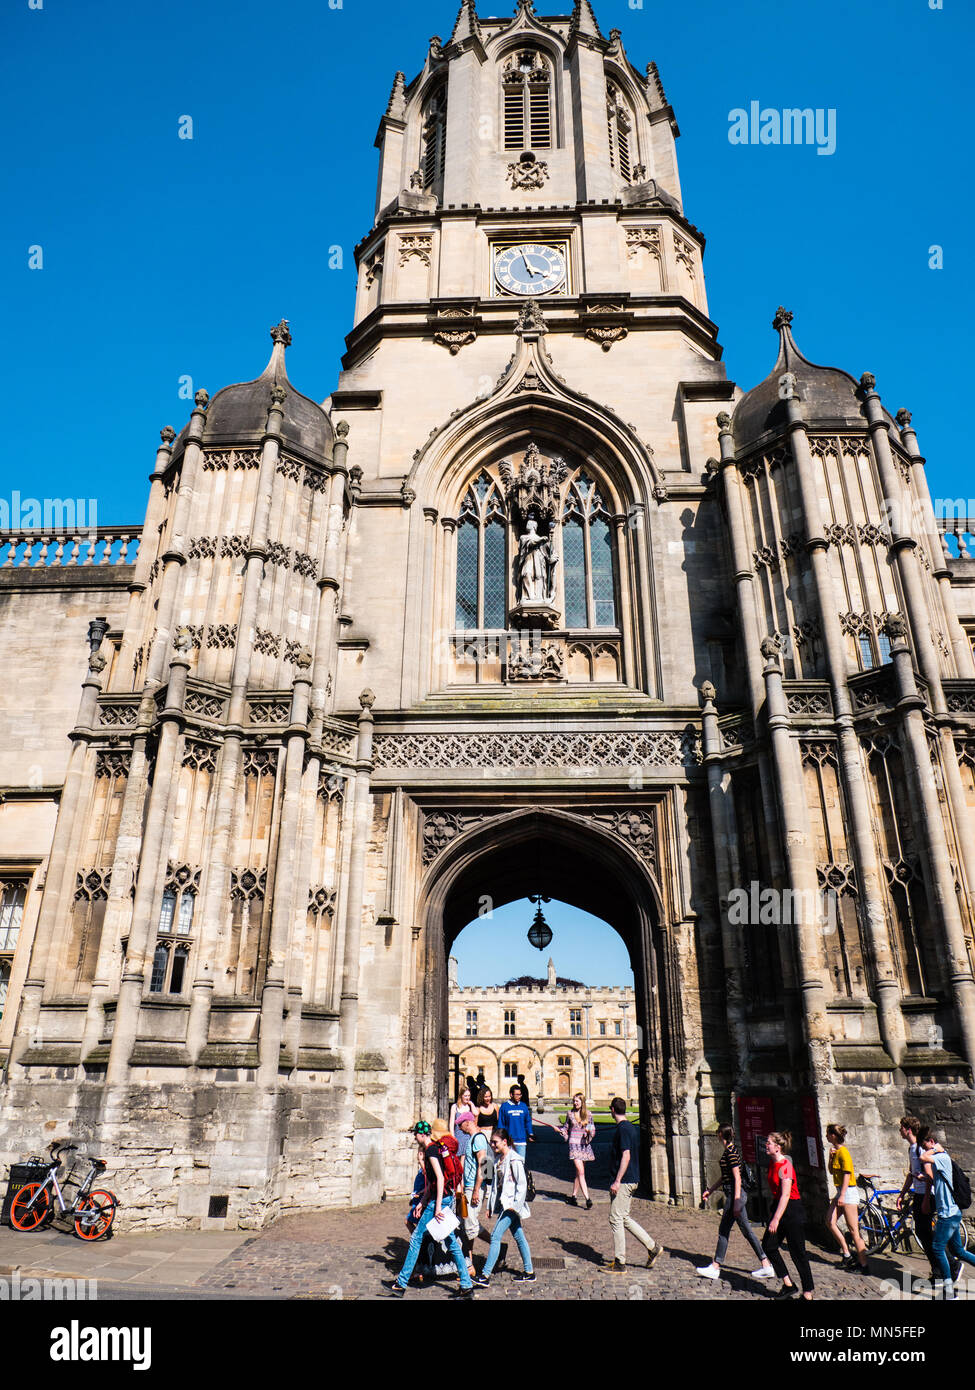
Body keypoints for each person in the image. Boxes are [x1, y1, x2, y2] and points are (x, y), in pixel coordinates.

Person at [384, 1121, 474, 1298]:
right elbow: (432, 1183)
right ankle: (466, 1285)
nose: (414, 1137)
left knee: (416, 1237)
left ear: (422, 1134)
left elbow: (440, 1179)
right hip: (439, 1198)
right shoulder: (434, 1149)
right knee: (451, 1243)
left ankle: (400, 1284)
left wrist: (437, 1206)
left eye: (415, 1134)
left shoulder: (431, 1150)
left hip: (439, 1201)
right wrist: (421, 1202)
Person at [696, 1123, 774, 1280]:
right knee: (746, 1230)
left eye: (718, 1133)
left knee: (724, 1230)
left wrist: (737, 1201)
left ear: (720, 1135)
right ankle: (766, 1265)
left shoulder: (731, 1153)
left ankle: (716, 1267)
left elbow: (737, 1178)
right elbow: (726, 1176)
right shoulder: (730, 1151)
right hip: (734, 1195)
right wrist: (710, 1190)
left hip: (735, 1195)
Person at [601, 1096, 662, 1273]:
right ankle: (653, 1247)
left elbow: (626, 1156)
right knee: (624, 1218)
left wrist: (617, 1180)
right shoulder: (629, 1127)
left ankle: (620, 1262)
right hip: (632, 1178)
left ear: (612, 1110)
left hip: (625, 1180)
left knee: (615, 1218)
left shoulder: (623, 1130)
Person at [473, 1128, 534, 1287]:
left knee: (495, 1236)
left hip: (512, 1207)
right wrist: (490, 1207)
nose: (492, 1145)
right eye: (491, 1142)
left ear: (505, 1142)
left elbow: (522, 1184)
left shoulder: (514, 1159)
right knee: (519, 1236)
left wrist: (515, 1206)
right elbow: (494, 1186)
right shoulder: (498, 1158)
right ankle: (529, 1272)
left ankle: (485, 1275)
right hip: (505, 1205)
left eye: (495, 1142)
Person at [920, 1126, 975, 1300]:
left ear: (931, 1142)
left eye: (925, 1145)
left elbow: (923, 1158)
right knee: (958, 1250)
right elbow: (939, 1179)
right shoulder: (939, 1159)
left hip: (948, 1214)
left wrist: (936, 1148)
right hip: (952, 1212)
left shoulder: (942, 1157)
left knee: (937, 1248)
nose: (924, 1151)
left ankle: (949, 1291)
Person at [761, 1131, 814, 1300]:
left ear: (778, 1147)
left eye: (768, 1143)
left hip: (792, 1210)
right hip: (779, 1206)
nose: (766, 1145)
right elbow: (777, 1194)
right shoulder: (772, 1163)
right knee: (768, 1246)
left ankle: (807, 1293)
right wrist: (774, 1213)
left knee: (798, 1252)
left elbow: (785, 1194)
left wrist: (776, 1219)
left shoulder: (785, 1165)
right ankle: (789, 1284)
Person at [896, 1115, 940, 1279]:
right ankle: (939, 1269)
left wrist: (927, 1200)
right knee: (923, 1233)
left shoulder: (920, 1149)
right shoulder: (911, 1149)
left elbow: (929, 1176)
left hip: (927, 1195)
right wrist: (902, 1194)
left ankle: (946, 1266)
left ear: (907, 1130)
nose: (899, 1131)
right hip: (919, 1194)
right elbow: (911, 1174)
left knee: (924, 1233)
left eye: (901, 1127)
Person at [825, 1123, 869, 1274]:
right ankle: (847, 1253)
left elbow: (847, 1174)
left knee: (854, 1230)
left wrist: (842, 1195)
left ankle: (864, 1265)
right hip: (840, 1191)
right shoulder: (836, 1152)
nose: (826, 1136)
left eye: (828, 1133)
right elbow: (831, 1171)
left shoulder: (844, 1152)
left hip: (848, 1192)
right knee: (830, 1221)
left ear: (833, 1136)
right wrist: (830, 1158)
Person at [459, 1113, 490, 1269]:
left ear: (467, 1122)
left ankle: (496, 1245)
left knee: (470, 1224)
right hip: (470, 1186)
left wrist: (477, 1190)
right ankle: (469, 1263)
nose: (459, 1128)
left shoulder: (478, 1138)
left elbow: (483, 1165)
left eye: (460, 1124)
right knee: (467, 1224)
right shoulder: (472, 1139)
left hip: (475, 1186)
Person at [556, 1092, 596, 1208]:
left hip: (584, 1145)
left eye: (577, 1101)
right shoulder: (570, 1114)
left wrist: (589, 1132)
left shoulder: (588, 1114)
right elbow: (565, 1128)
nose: (575, 1103)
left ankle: (573, 1196)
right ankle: (588, 1199)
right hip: (574, 1145)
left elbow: (592, 1128)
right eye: (574, 1101)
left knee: (579, 1173)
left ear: (582, 1102)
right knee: (581, 1172)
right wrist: (559, 1130)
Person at [498, 1084, 534, 1161]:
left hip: (521, 1141)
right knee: (508, 1164)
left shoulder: (523, 1106)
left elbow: (528, 1121)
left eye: (520, 1094)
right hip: (509, 1142)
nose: (519, 1096)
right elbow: (501, 1124)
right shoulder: (504, 1107)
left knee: (520, 1164)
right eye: (517, 1094)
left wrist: (530, 1133)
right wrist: (501, 1139)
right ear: (511, 1094)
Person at [449, 1086, 477, 1157]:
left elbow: (476, 1113)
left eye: (469, 1096)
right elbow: (451, 1123)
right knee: (456, 1156)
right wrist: (452, 1137)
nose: (467, 1098)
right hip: (458, 1134)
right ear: (461, 1096)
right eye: (465, 1096)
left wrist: (471, 1104)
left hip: (467, 1136)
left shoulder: (469, 1107)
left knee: (465, 1156)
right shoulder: (455, 1107)